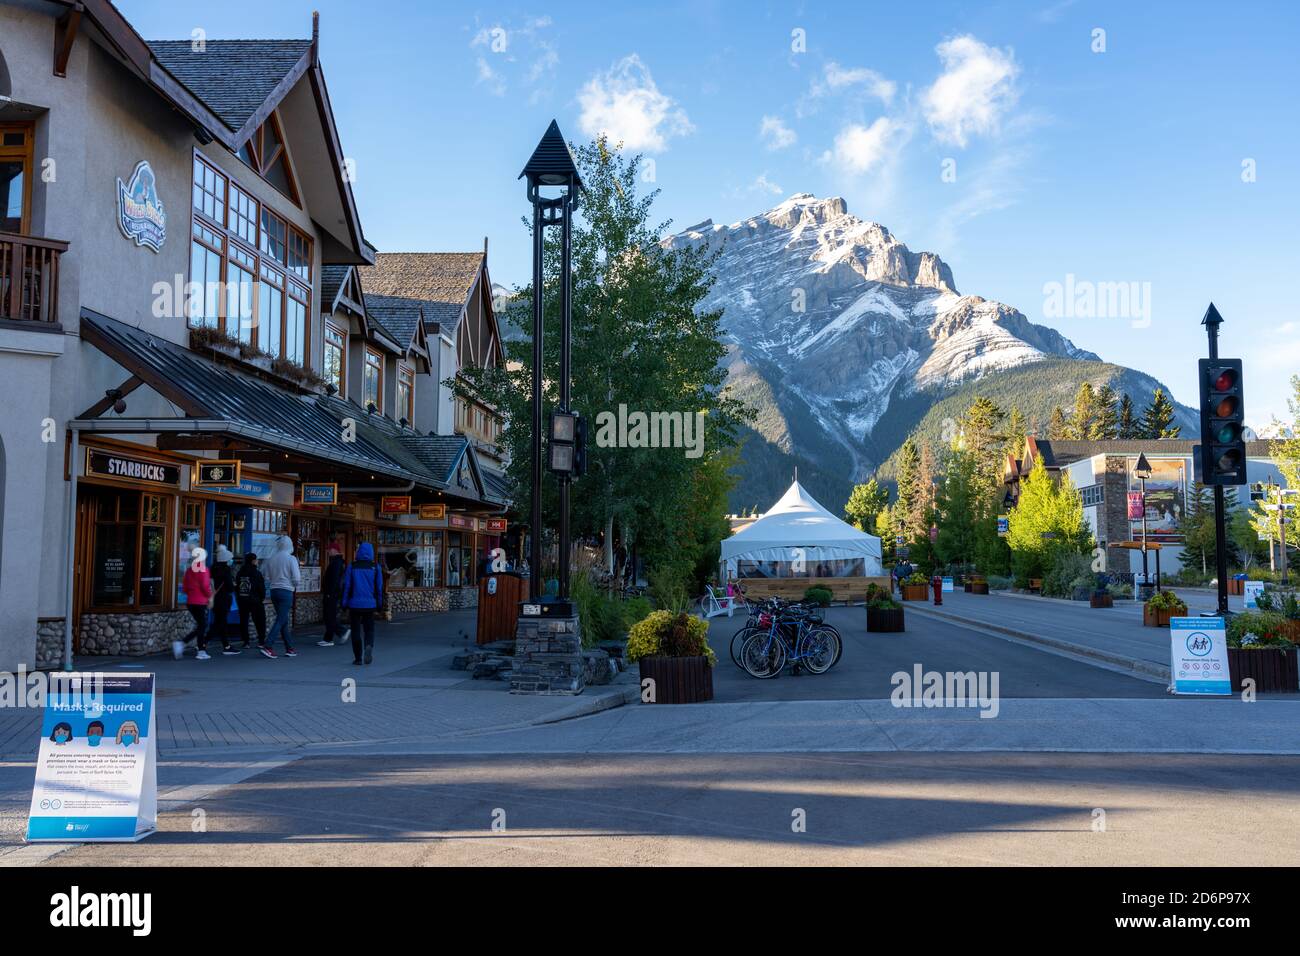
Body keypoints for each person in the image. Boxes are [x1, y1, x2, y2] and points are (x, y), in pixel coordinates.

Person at [340, 541, 384, 665]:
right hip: (370, 605)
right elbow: (379, 587)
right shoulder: (375, 567)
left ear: (358, 552)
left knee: (355, 631)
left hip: (354, 604)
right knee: (369, 629)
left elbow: (347, 586)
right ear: (371, 553)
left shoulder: (352, 566)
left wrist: (344, 603)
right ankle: (368, 646)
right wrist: (379, 604)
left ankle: (358, 658)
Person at [261, 535, 300, 659]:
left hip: (274, 590)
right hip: (286, 590)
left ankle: (289, 648)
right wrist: (293, 584)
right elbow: (297, 578)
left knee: (283, 620)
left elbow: (266, 576)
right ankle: (268, 645)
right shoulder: (291, 558)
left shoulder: (272, 558)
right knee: (281, 619)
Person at [175, 547, 212, 660]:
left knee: (201, 625)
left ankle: (185, 644)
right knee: (202, 626)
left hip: (191, 601)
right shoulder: (204, 569)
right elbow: (205, 586)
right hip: (200, 602)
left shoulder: (189, 570)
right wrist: (210, 596)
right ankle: (199, 650)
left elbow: (185, 588)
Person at [206, 545, 240, 658]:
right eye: (230, 559)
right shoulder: (225, 571)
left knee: (219, 622)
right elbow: (230, 587)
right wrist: (234, 585)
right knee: (221, 623)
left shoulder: (213, 568)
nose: (232, 561)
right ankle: (225, 646)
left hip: (215, 598)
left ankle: (206, 643)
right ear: (226, 560)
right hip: (224, 599)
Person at [235, 552, 267, 648]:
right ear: (253, 561)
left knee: (243, 621)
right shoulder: (256, 573)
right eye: (256, 559)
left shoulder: (240, 572)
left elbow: (237, 586)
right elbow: (261, 588)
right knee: (259, 620)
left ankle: (246, 642)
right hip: (255, 600)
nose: (257, 561)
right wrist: (261, 598)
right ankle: (261, 641)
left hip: (242, 599)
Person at [319, 543, 349, 647]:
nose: (328, 551)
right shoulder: (337, 562)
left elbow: (334, 580)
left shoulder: (336, 563)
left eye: (329, 549)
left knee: (329, 616)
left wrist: (329, 593)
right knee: (329, 616)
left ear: (335, 550)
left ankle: (341, 631)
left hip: (331, 594)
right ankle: (328, 638)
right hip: (333, 593)